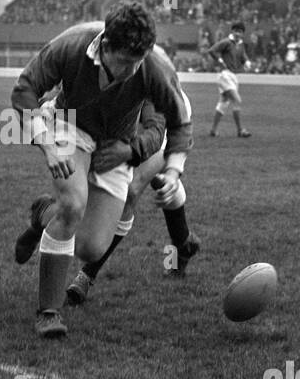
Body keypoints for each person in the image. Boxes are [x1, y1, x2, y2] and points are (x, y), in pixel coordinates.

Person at [10, 1, 193, 338]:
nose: (130, 72)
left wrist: (172, 171)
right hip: (70, 124)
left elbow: (178, 124)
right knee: (74, 204)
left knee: (91, 248)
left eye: (136, 63)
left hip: (116, 143)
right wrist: (47, 143)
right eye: (124, 62)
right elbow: (24, 89)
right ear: (105, 46)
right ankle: (49, 312)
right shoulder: (71, 44)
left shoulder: (153, 66)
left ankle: (43, 214)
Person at [63, 96, 200, 306]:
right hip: (126, 120)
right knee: (158, 182)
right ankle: (183, 242)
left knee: (130, 190)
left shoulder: (149, 74)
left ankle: (86, 275)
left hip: (163, 122)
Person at [207, 21, 252, 137]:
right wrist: (220, 60)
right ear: (232, 31)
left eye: (240, 32)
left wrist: (247, 62)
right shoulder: (226, 42)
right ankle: (240, 130)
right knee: (237, 100)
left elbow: (242, 56)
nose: (237, 33)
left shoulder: (240, 45)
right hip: (225, 75)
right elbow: (212, 50)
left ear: (243, 33)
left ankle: (213, 130)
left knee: (223, 103)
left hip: (233, 76)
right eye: (235, 31)